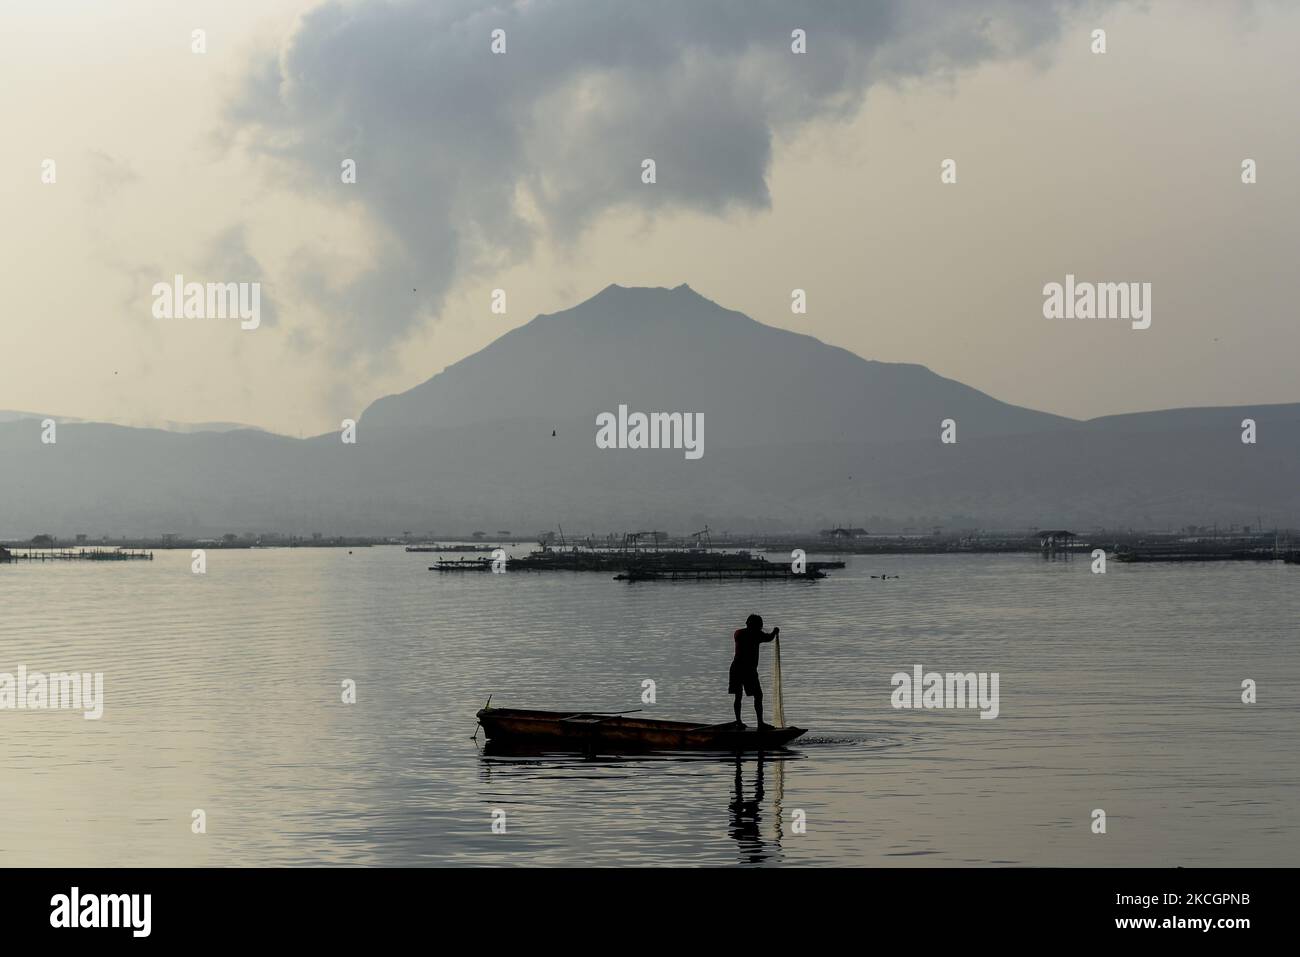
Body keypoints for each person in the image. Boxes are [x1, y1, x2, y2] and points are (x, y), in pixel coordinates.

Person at [729, 614, 779, 729]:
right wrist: (775, 631)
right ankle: (759, 723)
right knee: (757, 695)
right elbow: (769, 638)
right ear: (754, 625)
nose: (761, 627)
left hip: (737, 668)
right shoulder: (754, 634)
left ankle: (739, 722)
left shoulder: (738, 633)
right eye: (759, 625)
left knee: (738, 696)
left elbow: (766, 637)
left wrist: (770, 633)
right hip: (746, 670)